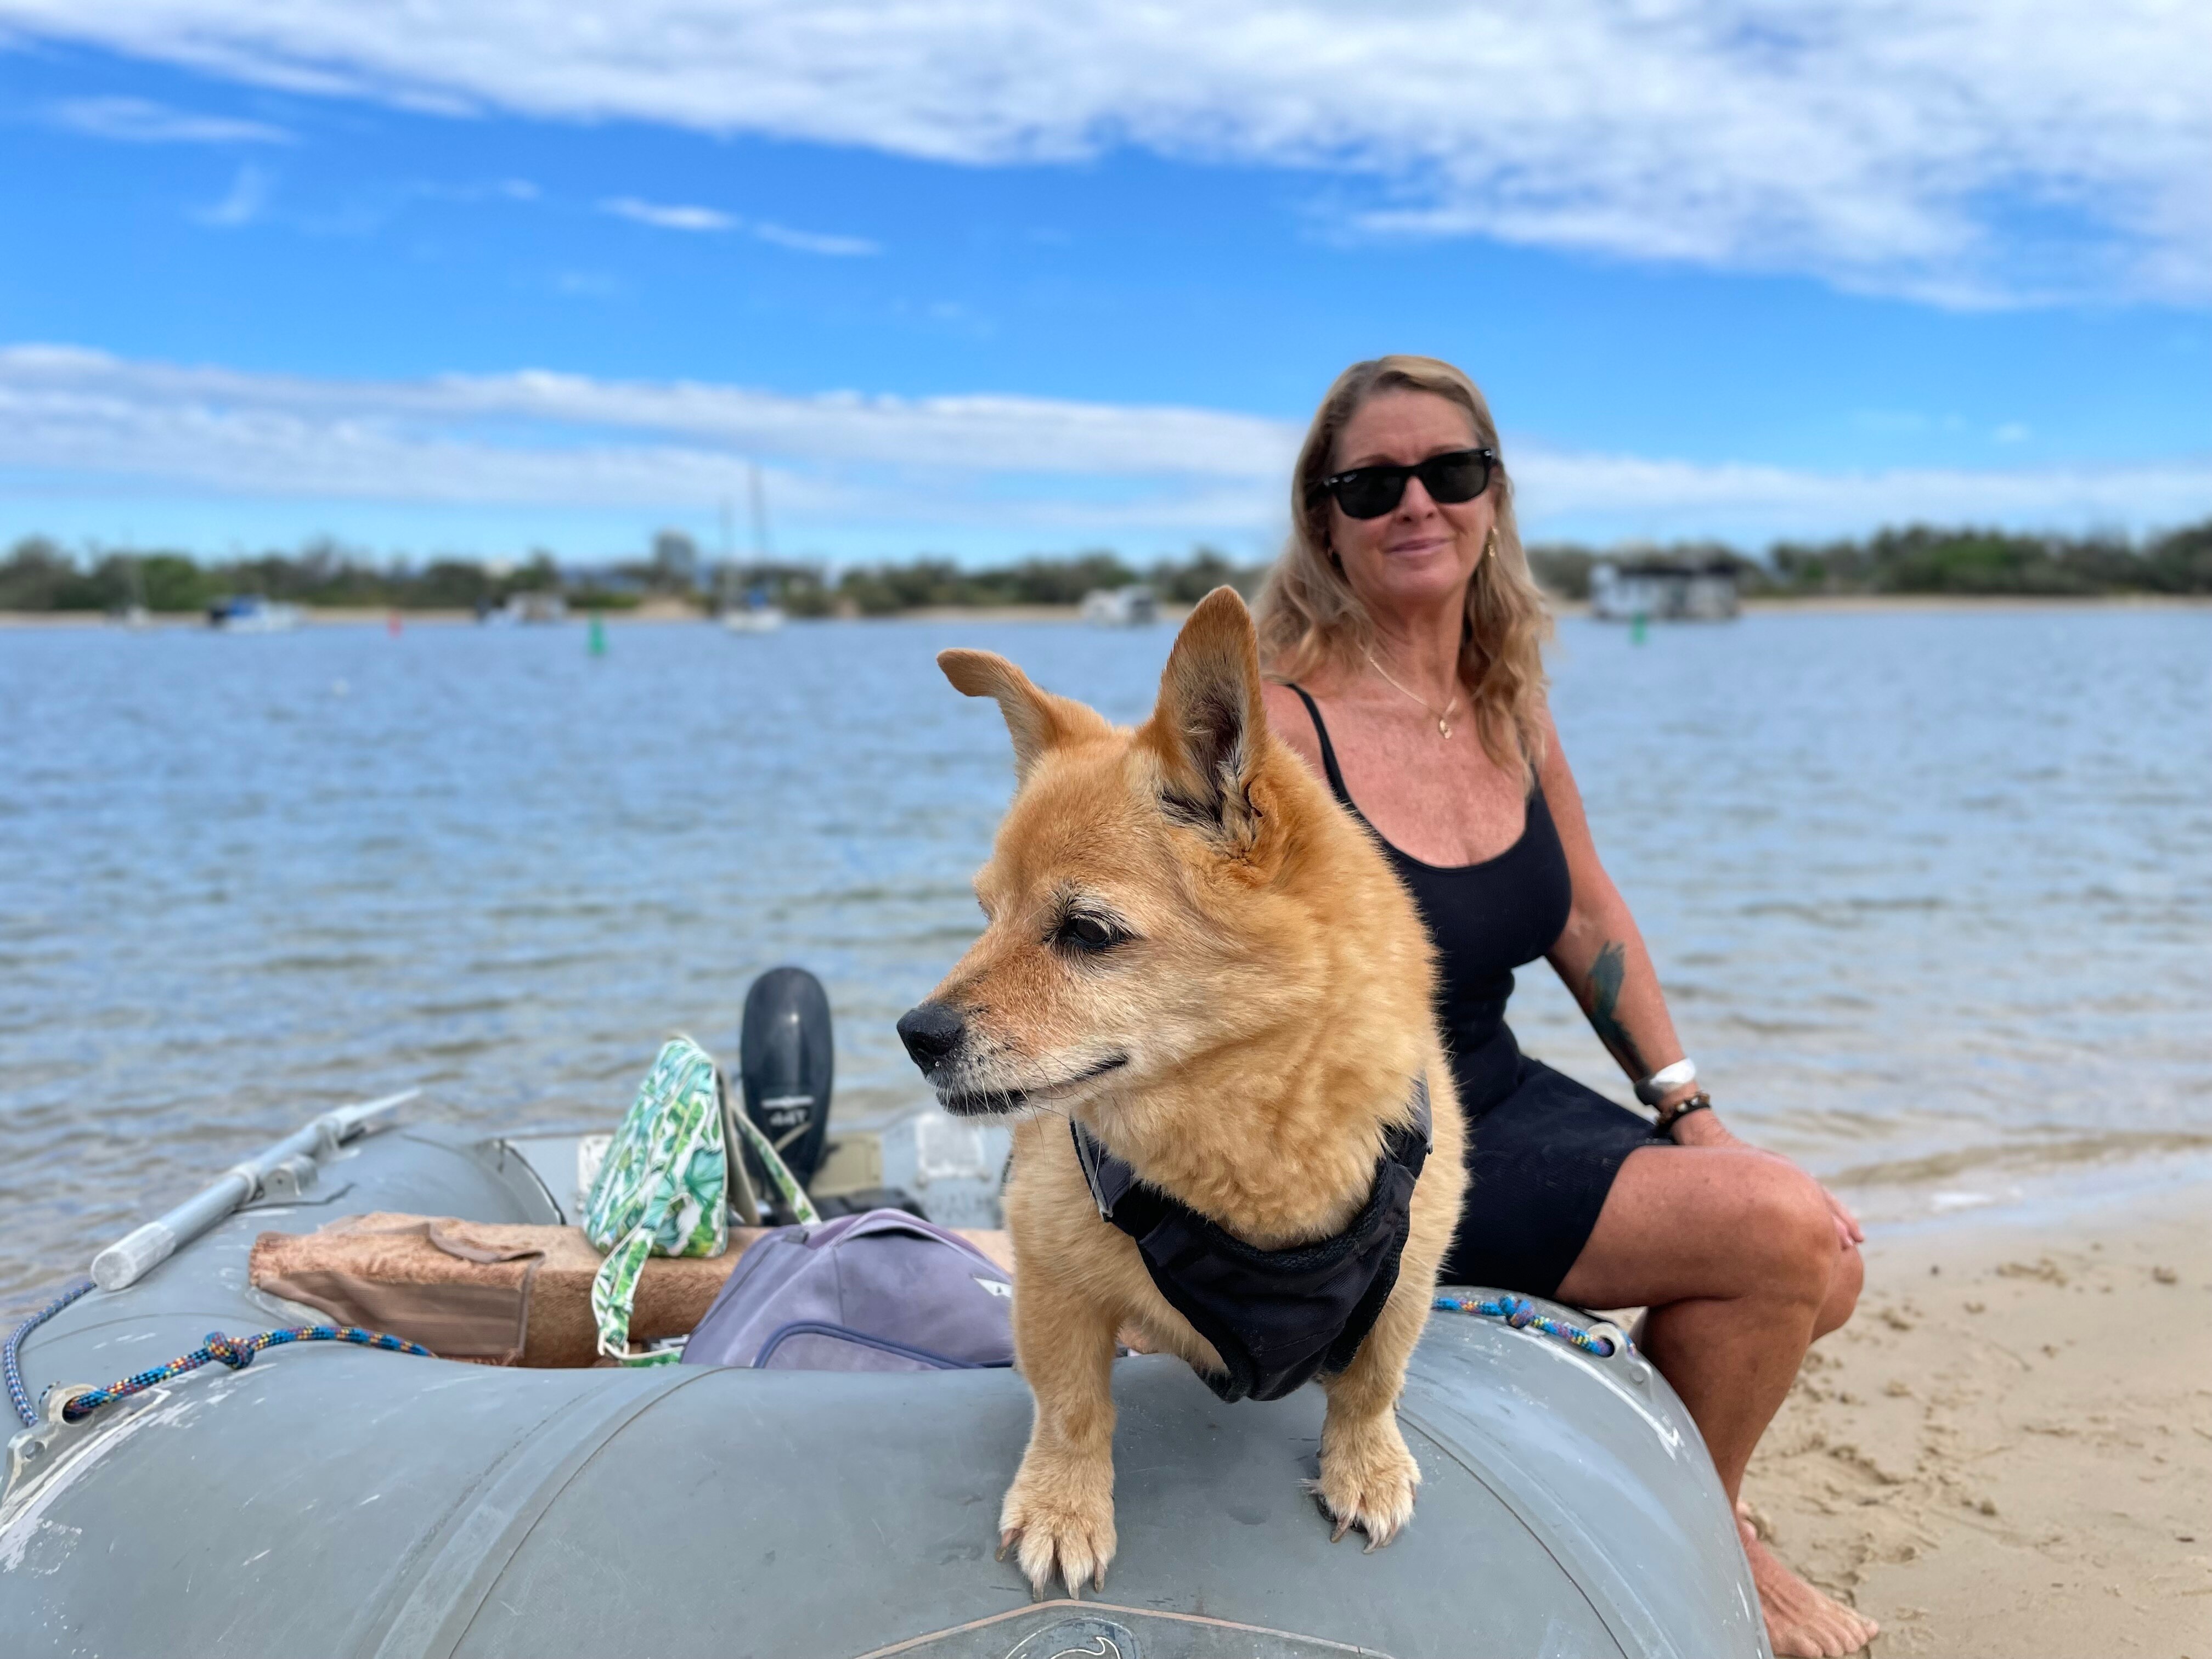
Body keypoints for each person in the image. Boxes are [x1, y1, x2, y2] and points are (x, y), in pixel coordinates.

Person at [1254, 356, 1876, 1659]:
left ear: (1493, 499)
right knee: (1778, 1240)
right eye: (1374, 484)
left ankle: (1673, 1497)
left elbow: (1588, 918)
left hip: (1495, 1091)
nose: (1416, 503)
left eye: (1451, 472)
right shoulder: (1282, 722)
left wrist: (1693, 1114)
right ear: (1325, 521)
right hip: (1367, 1146)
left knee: (1820, 1264)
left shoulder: (1502, 697)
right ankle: (1716, 1550)